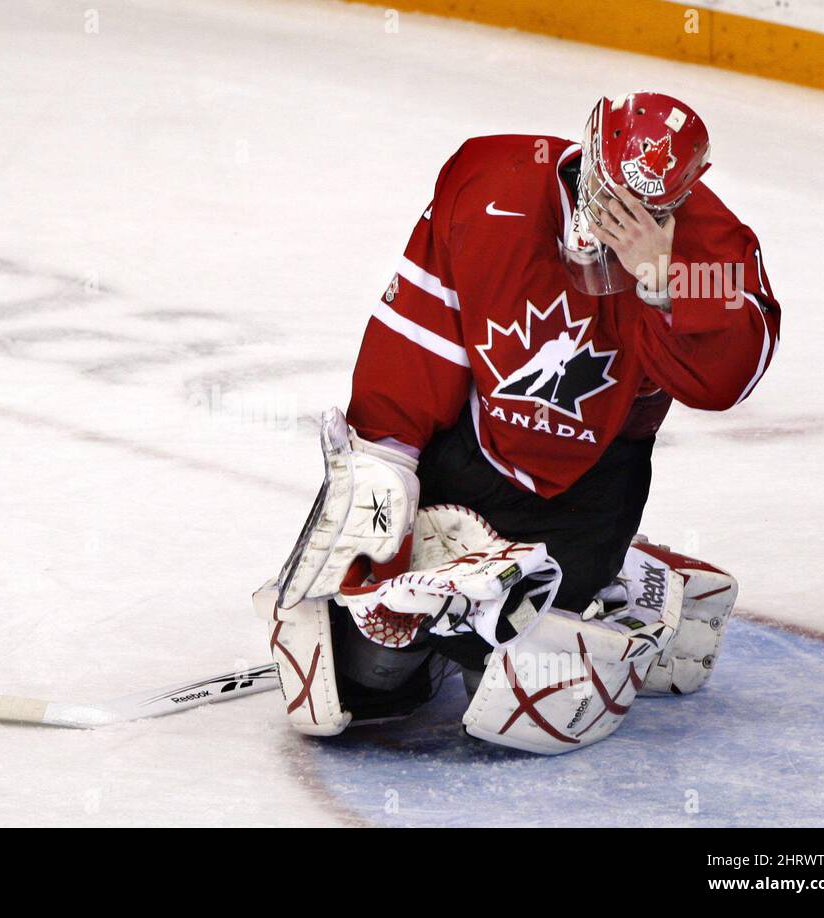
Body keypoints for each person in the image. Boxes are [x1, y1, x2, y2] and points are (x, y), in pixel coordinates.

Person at [258, 92, 781, 747]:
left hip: (592, 482)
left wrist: (664, 277)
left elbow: (724, 380)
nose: (610, 223)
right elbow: (417, 346)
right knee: (369, 677)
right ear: (587, 149)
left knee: (522, 699)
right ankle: (481, 598)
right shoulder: (489, 182)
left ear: (683, 195)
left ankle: (629, 580)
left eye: (643, 208)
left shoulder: (711, 247)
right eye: (603, 191)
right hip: (470, 452)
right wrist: (381, 491)